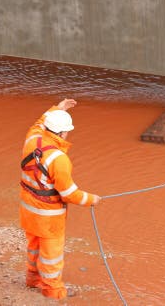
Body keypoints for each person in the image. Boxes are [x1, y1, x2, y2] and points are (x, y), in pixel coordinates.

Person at [19, 98, 101, 299]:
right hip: (49, 216)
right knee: (51, 256)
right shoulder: (59, 159)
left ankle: (32, 279)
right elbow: (70, 194)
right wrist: (92, 199)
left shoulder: (33, 138)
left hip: (28, 208)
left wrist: (57, 108)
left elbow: (40, 122)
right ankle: (53, 291)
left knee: (34, 247)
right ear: (64, 133)